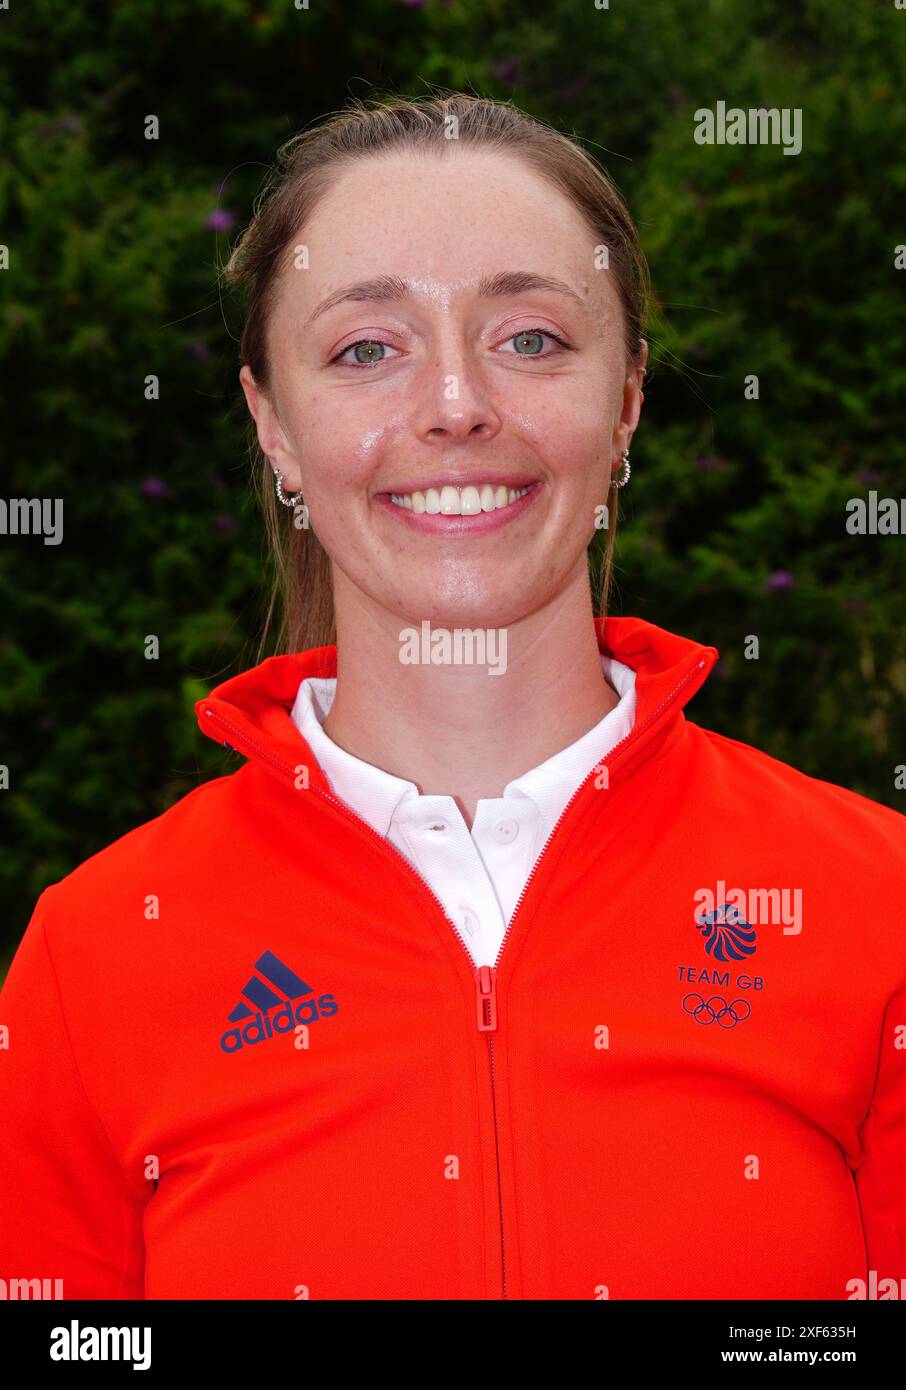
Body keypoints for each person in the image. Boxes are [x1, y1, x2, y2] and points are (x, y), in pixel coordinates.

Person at [1, 92, 904, 1302]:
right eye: (367, 349)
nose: (455, 404)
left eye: (529, 337)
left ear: (626, 397)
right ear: (273, 425)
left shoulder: (873, 901)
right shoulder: (93, 954)